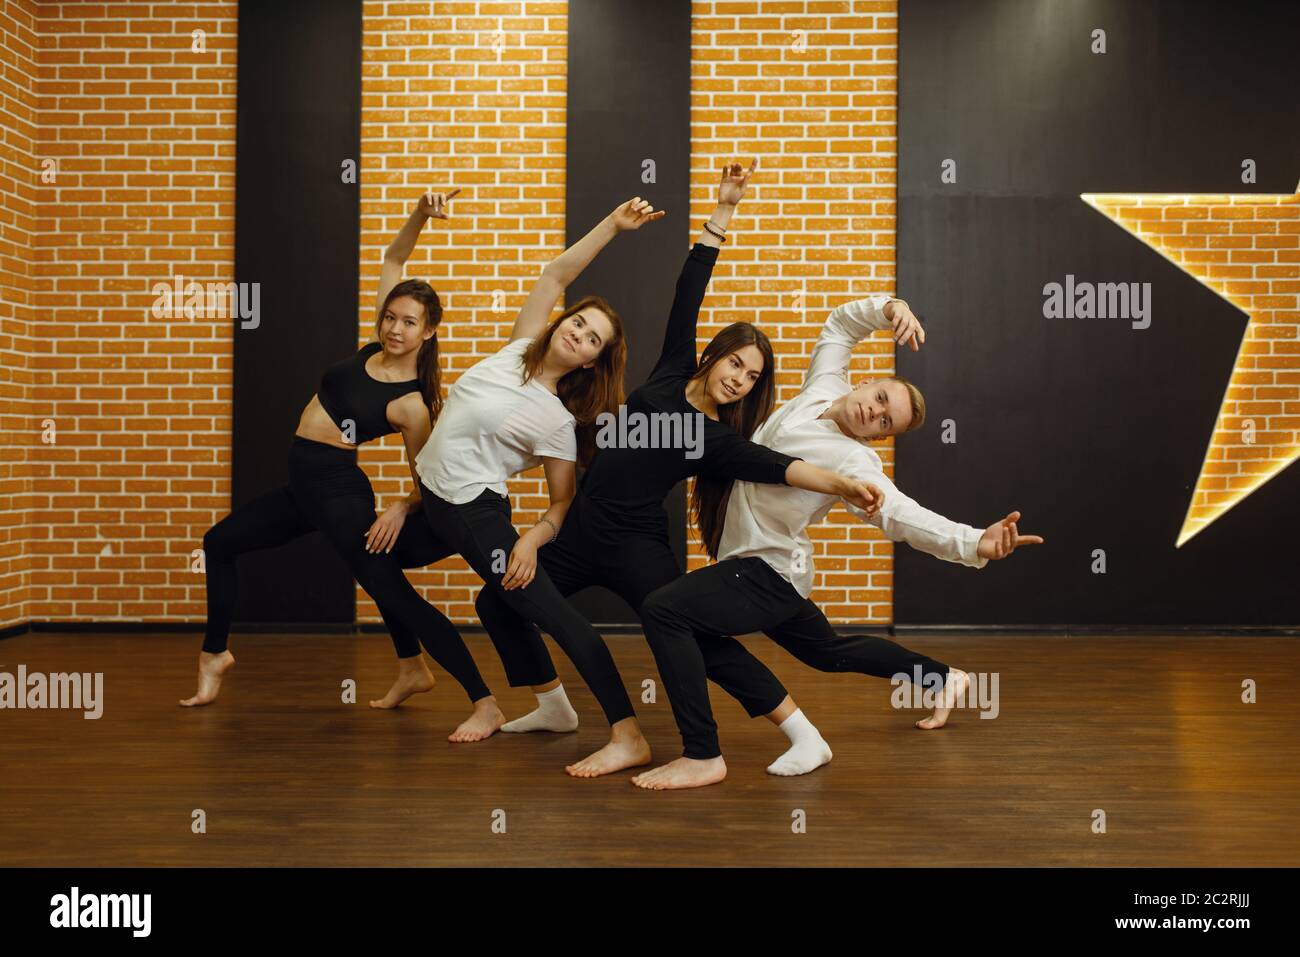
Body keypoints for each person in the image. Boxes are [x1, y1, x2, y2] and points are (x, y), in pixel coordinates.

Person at [472, 162, 883, 778]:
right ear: (716, 355)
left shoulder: (716, 440)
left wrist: (843, 483)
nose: (738, 378)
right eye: (735, 363)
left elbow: (783, 466)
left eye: (750, 377)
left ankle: (785, 735)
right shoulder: (670, 370)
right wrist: (723, 212)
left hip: (637, 548)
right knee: (497, 600)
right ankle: (553, 707)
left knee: (691, 634)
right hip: (582, 530)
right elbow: (687, 291)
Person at [631, 293, 1044, 789]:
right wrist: (888, 307)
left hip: (764, 573)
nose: (875, 412)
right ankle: (941, 677)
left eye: (886, 421)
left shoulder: (855, 462)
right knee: (828, 652)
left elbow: (903, 517)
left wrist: (975, 542)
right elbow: (840, 328)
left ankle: (703, 753)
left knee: (665, 610)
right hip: (764, 567)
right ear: (867, 382)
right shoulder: (824, 388)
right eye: (880, 399)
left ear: (882, 437)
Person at [183, 190, 500, 744]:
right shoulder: (370, 351)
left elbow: (430, 475)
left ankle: (485, 701)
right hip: (302, 490)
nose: (395, 328)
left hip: (337, 495)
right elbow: (393, 261)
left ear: (428, 332)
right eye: (391, 317)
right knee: (220, 543)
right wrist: (420, 216)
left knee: (394, 592)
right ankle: (219, 653)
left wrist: (401, 506)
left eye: (409, 323)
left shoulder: (410, 403)